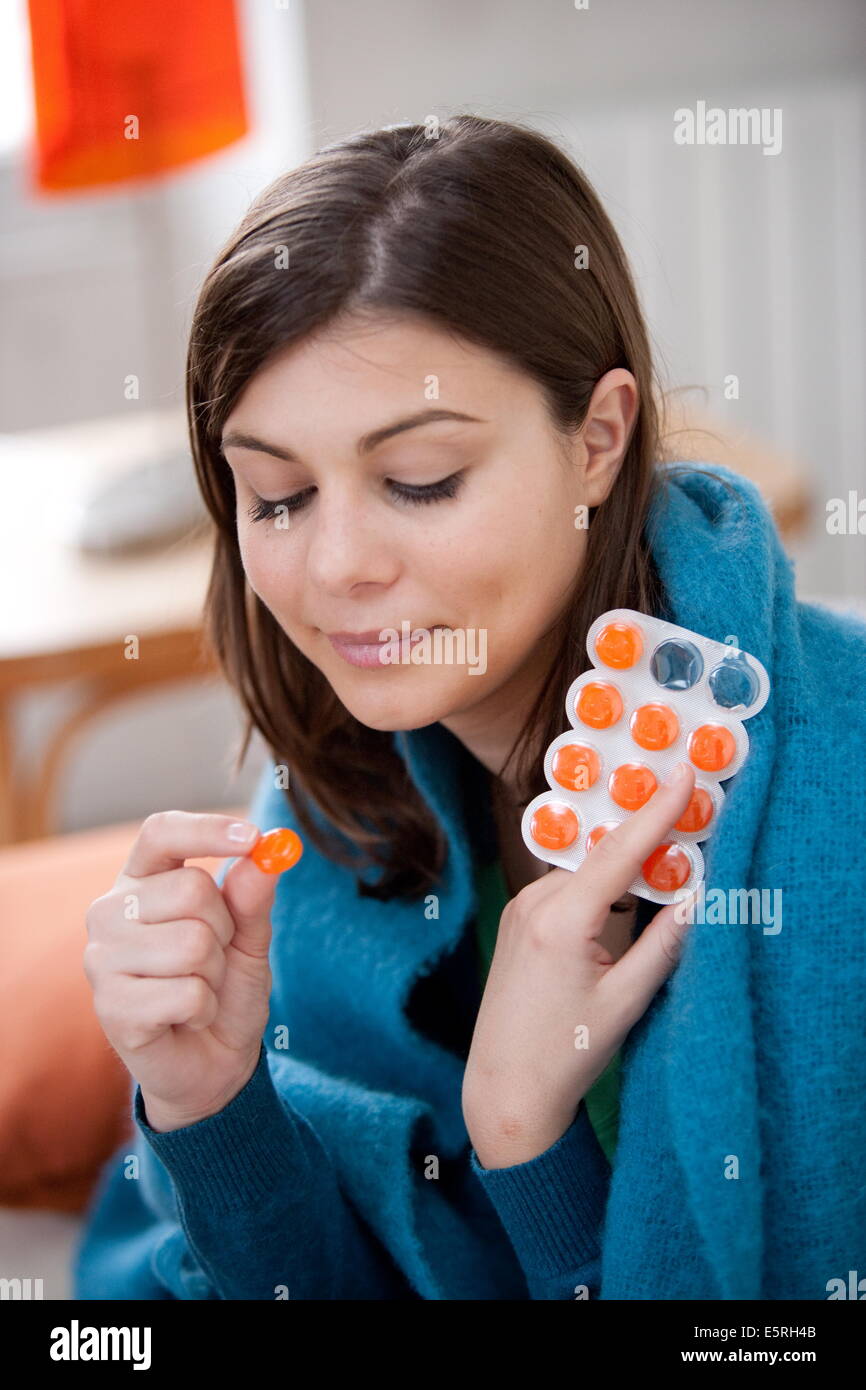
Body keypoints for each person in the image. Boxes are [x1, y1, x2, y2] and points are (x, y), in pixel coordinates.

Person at [73, 114, 866, 1300]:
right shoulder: (325, 810)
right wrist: (210, 1105)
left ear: (597, 439)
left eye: (420, 480)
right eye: (278, 495)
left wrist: (523, 1136)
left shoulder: (831, 809)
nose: (336, 566)